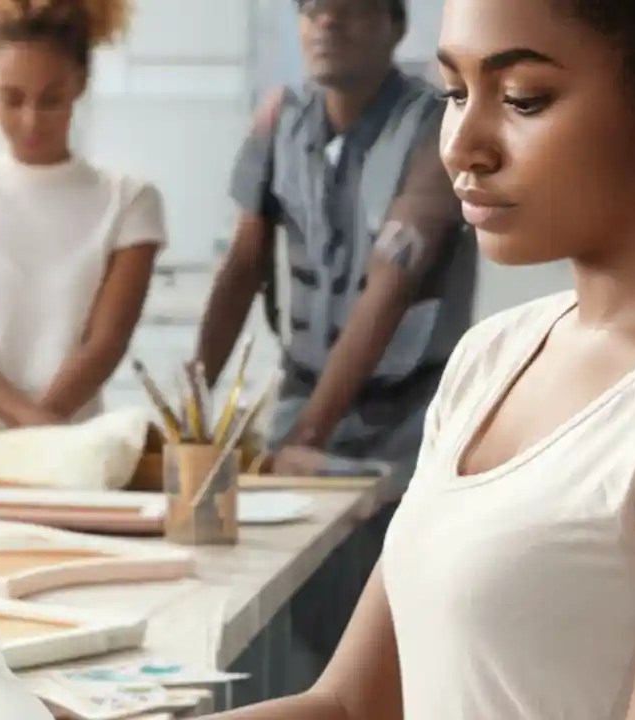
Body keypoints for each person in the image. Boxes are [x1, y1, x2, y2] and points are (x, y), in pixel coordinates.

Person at [207, 0, 635, 716]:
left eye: (524, 99)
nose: (462, 144)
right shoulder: (491, 357)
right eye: (454, 94)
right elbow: (349, 704)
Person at [196, 0, 474, 692]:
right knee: (269, 605)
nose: (327, 23)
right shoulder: (279, 120)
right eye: (313, 8)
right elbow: (241, 265)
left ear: (395, 24)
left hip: (405, 419)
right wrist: (195, 405)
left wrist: (313, 435)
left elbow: (389, 287)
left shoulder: (431, 125)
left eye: (350, 10)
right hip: (303, 394)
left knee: (393, 619)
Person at [0, 0, 166, 447]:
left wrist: (38, 438)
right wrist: (33, 426)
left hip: (66, 449)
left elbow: (104, 343)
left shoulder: (128, 202)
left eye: (50, 100)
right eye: (11, 98)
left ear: (80, 84)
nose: (29, 120)